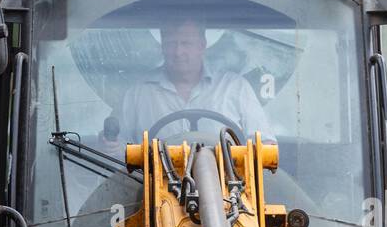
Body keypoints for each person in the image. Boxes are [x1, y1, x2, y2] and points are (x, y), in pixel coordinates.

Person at [112, 16, 273, 144]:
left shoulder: (234, 88)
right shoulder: (137, 94)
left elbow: (265, 144)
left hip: (227, 184)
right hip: (149, 184)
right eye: (171, 44)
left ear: (202, 45)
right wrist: (110, 145)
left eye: (186, 43)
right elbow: (115, 149)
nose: (178, 52)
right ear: (162, 46)